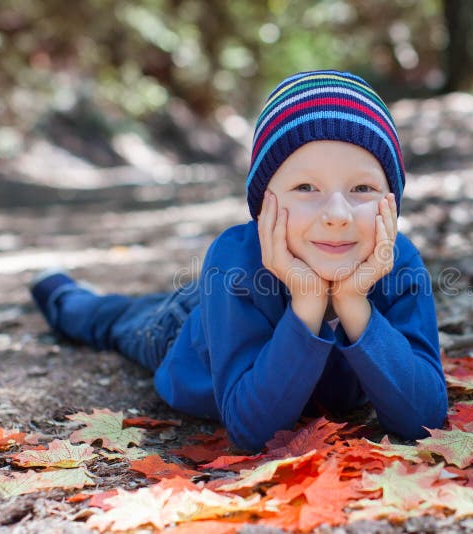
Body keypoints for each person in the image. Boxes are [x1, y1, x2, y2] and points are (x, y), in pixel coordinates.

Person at [30, 70, 448, 452]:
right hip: (185, 333)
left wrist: (355, 301)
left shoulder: (397, 262)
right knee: (119, 320)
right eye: (306, 186)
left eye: (362, 187)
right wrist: (306, 301)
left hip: (238, 303)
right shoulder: (234, 262)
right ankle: (65, 297)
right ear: (263, 204)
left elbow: (423, 419)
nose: (337, 213)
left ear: (391, 205)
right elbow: (253, 432)